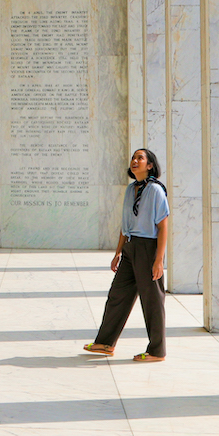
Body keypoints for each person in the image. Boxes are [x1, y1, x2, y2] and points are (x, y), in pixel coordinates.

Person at [83, 148, 169, 361]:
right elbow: (124, 225)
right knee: (117, 295)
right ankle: (105, 343)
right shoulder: (131, 190)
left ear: (150, 165)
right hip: (130, 248)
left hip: (148, 248)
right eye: (133, 157)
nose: (135, 160)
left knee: (152, 302)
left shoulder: (156, 191)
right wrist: (118, 252)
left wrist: (159, 260)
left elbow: (163, 226)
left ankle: (157, 351)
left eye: (140, 158)